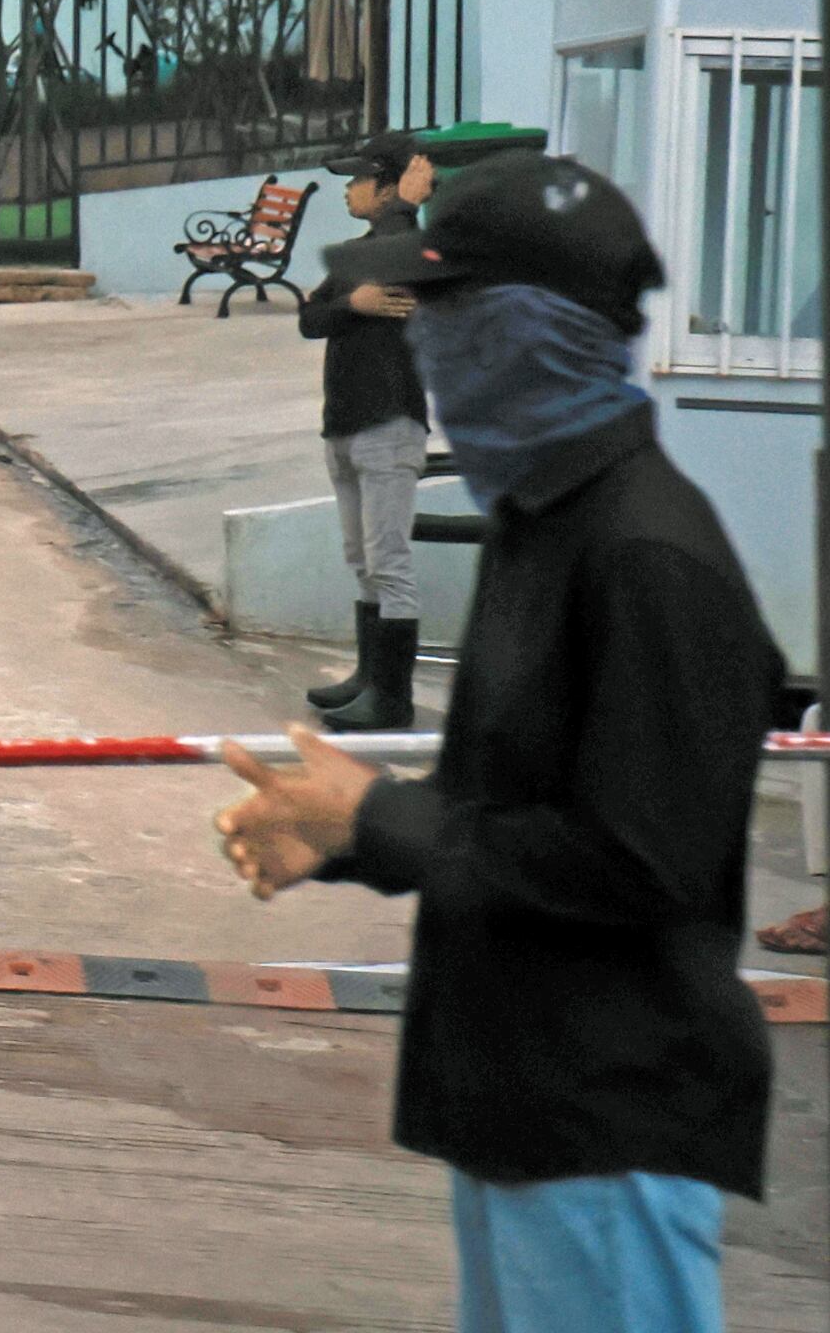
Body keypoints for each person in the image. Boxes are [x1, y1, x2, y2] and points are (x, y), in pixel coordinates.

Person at [214, 152, 780, 1333]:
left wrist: (375, 819)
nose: (430, 353)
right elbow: (507, 798)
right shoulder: (544, 520)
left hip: (604, 1124)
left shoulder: (648, 559)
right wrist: (349, 834)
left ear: (528, 335)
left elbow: (635, 861)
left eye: (450, 320)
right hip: (522, 1104)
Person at [299, 135, 436, 730]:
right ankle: (369, 678)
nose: (348, 190)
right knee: (362, 558)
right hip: (347, 424)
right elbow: (309, 318)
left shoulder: (410, 244)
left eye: (358, 181)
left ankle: (393, 700)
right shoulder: (361, 253)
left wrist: (407, 208)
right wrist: (353, 303)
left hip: (389, 424)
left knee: (390, 561)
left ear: (388, 188)